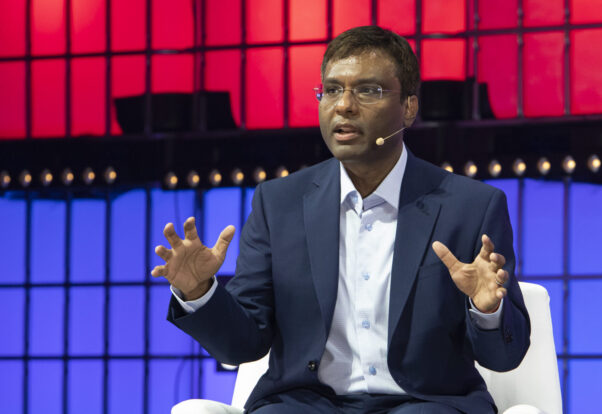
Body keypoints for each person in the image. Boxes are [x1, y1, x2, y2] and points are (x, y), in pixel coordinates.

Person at [153, 26, 530, 414]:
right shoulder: (279, 203)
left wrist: (486, 310)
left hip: (424, 402)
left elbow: (506, 356)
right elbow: (243, 345)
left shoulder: (470, 207)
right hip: (305, 404)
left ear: (409, 108)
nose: (344, 106)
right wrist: (200, 292)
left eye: (368, 91)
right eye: (332, 90)